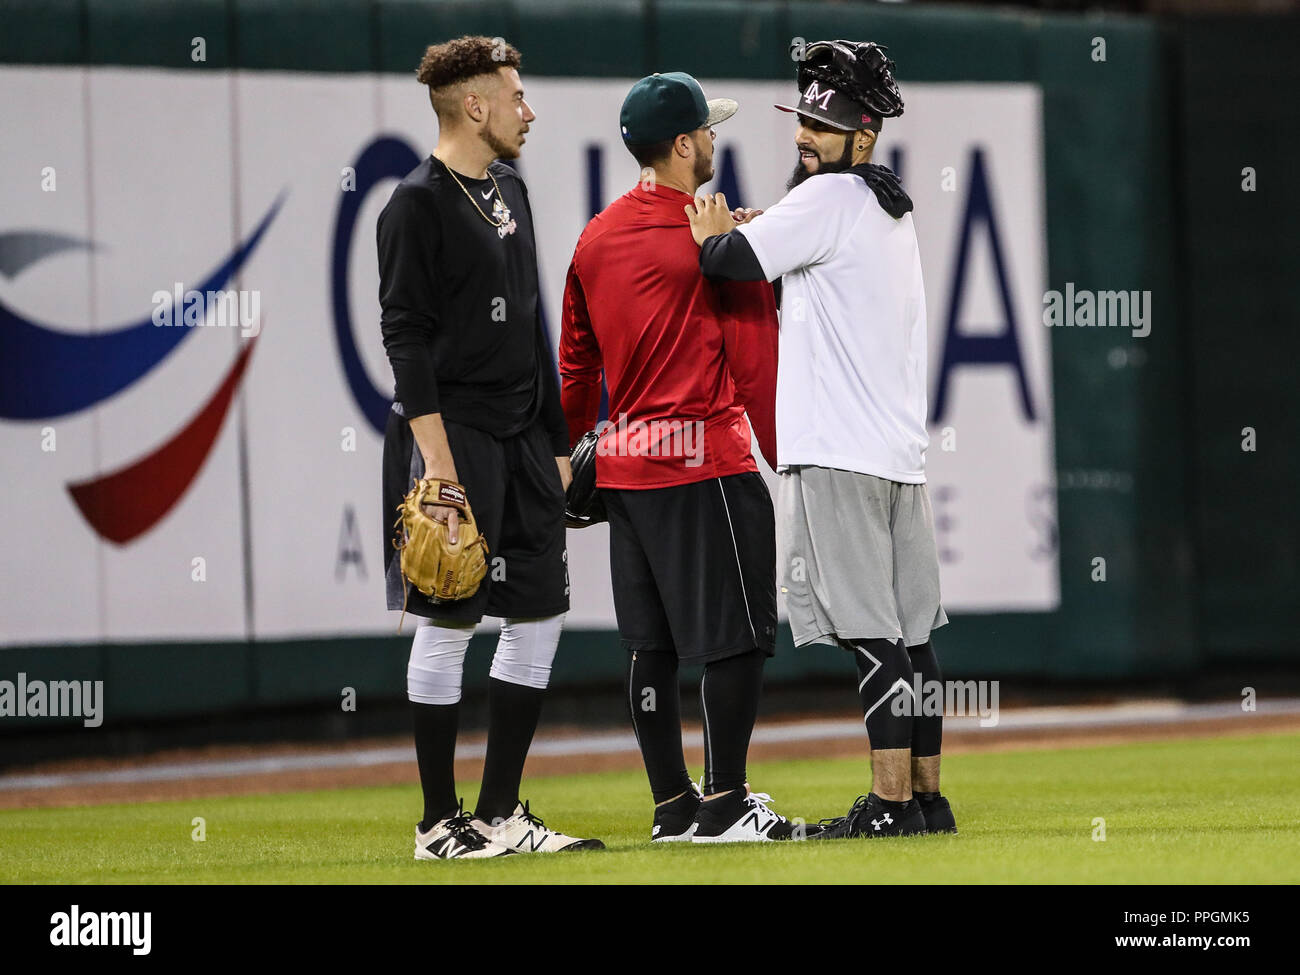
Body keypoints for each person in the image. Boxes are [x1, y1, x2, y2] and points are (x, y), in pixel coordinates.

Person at [684, 40, 957, 837]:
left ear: (863, 135)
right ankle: (928, 801)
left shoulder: (830, 196)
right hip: (898, 456)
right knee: (914, 639)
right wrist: (765, 221)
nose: (806, 132)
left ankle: (888, 806)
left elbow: (729, 262)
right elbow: (792, 241)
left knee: (874, 637)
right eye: (804, 116)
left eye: (825, 122)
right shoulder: (884, 203)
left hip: (839, 451)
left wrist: (709, 225)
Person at [560, 72, 808, 843]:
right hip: (706, 460)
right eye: (706, 131)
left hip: (627, 467)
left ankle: (674, 808)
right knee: (734, 637)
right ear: (681, 145)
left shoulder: (595, 236)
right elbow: (753, 354)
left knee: (651, 646)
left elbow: (575, 363)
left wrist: (569, 460)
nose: (713, 141)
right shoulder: (712, 242)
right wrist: (784, 455)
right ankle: (726, 804)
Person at [377, 35, 602, 859]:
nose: (527, 109)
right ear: (474, 106)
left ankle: (502, 811)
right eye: (514, 96)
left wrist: (556, 442)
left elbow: (534, 320)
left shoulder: (509, 187)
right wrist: (436, 465)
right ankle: (439, 824)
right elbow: (404, 342)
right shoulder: (414, 204)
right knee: (447, 621)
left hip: (522, 434)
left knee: (539, 615)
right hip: (456, 436)